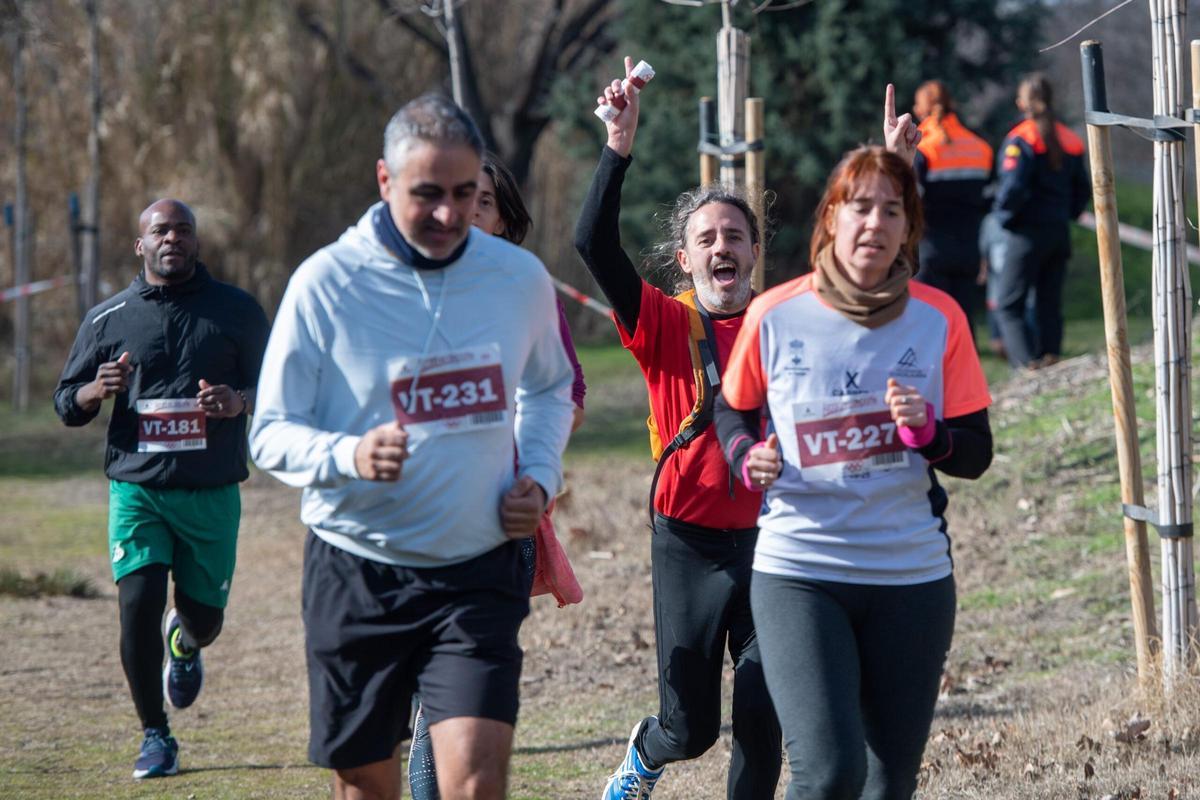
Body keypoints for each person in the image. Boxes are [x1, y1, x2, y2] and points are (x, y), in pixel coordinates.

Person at [248, 94, 575, 800]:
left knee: (476, 781)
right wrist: (350, 456)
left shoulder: (516, 278)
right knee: (366, 784)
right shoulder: (326, 284)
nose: (450, 215)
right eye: (428, 194)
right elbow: (269, 431)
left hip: (477, 568)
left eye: (464, 193)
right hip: (357, 568)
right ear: (384, 180)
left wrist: (538, 476)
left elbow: (550, 387)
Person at [714, 142, 993, 799]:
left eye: (892, 210)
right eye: (860, 207)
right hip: (800, 570)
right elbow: (732, 409)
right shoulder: (776, 314)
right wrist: (745, 455)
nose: (875, 223)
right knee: (830, 772)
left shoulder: (939, 318)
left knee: (888, 784)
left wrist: (930, 434)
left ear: (909, 228)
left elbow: (976, 452)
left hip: (910, 576)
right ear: (831, 219)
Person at [53, 199, 269, 780]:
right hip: (138, 490)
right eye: (159, 230)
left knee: (205, 619)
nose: (171, 238)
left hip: (211, 491)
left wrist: (239, 401)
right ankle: (156, 735)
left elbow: (281, 388)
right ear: (140, 245)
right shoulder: (108, 318)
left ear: (196, 242)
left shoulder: (237, 311)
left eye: (182, 229)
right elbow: (66, 401)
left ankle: (188, 640)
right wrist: (94, 390)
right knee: (135, 609)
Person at [406, 150, 588, 800]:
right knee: (435, 696)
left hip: (502, 523)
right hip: (414, 520)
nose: (465, 212)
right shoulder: (404, 290)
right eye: (453, 198)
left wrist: (531, 472)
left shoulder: (528, 295)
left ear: (505, 220)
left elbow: (568, 393)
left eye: (482, 201)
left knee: (457, 700)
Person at [991, 72, 1090, 369]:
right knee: (1049, 303)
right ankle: (1051, 360)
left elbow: (1013, 188)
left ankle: (1027, 367)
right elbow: (1083, 190)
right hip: (1058, 233)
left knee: (1008, 305)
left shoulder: (1021, 140)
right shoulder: (1071, 140)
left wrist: (1004, 218)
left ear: (1022, 103)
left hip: (1026, 235)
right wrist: (1066, 214)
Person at [911, 79, 993, 329]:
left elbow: (911, 202)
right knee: (963, 326)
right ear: (952, 105)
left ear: (919, 110)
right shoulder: (980, 147)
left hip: (930, 252)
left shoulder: (921, 149)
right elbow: (989, 201)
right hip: (969, 251)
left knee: (931, 328)